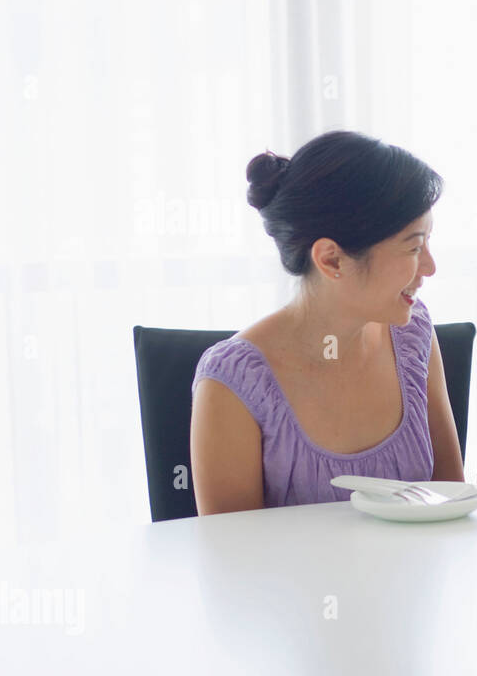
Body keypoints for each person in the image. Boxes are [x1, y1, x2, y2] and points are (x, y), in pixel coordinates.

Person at [190, 130, 462, 513]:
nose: (430, 267)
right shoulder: (231, 385)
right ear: (332, 259)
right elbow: (232, 559)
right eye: (414, 247)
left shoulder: (414, 334)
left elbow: (449, 505)